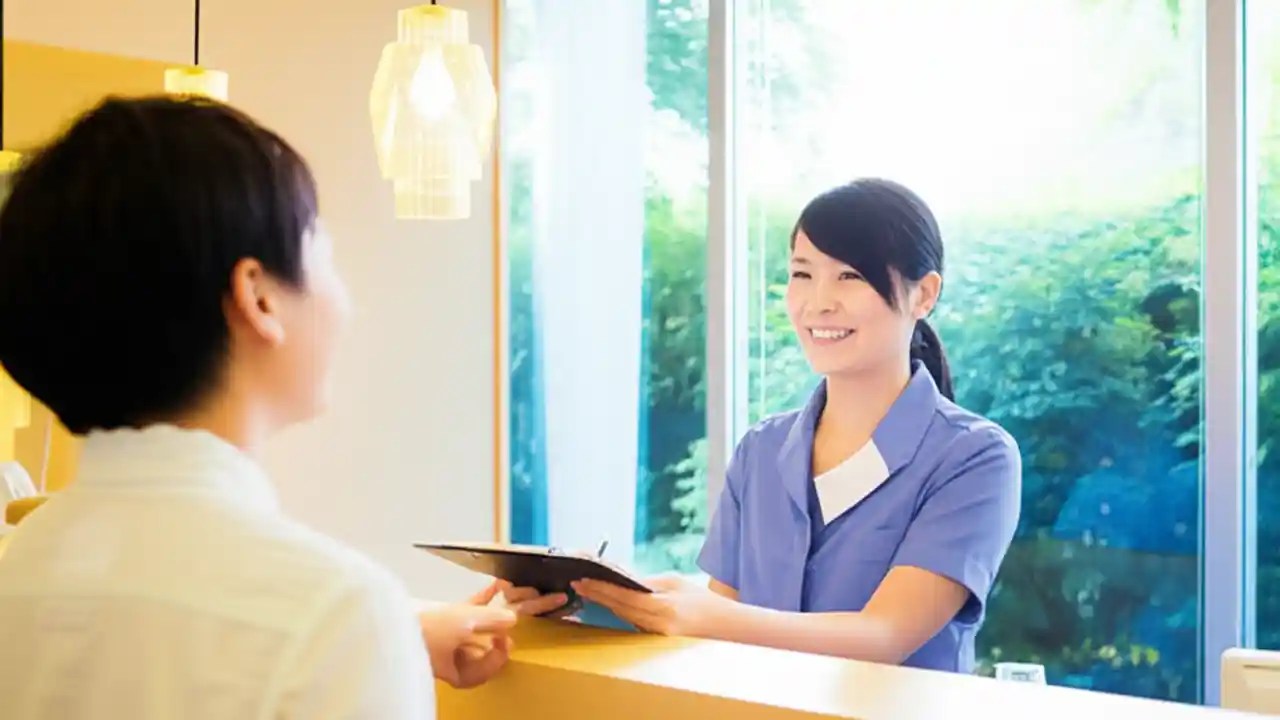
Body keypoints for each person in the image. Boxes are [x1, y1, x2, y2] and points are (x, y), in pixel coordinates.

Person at [0, 95, 515, 718]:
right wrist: (369, 650)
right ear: (258, 298)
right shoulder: (335, 615)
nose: (344, 304)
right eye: (322, 251)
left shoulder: (17, 572)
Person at [506, 178, 1022, 674]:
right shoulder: (762, 449)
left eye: (850, 276)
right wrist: (588, 601)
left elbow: (882, 636)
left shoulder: (974, 458)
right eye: (802, 273)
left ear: (924, 294)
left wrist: (701, 614)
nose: (818, 301)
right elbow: (719, 632)